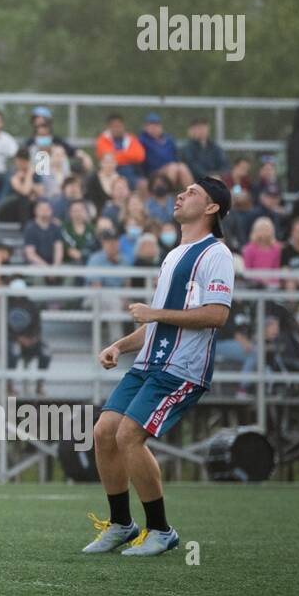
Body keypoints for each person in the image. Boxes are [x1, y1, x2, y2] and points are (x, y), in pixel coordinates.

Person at [86, 176, 234, 557]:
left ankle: (161, 529)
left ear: (212, 208)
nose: (182, 195)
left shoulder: (216, 254)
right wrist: (120, 345)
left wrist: (152, 313)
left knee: (128, 436)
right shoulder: (173, 254)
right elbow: (160, 322)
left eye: (193, 193)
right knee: (104, 432)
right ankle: (121, 524)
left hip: (180, 369)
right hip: (149, 364)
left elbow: (216, 315)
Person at [137, 113, 193, 189]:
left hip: (172, 169)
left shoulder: (168, 139)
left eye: (157, 125)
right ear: (145, 127)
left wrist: (175, 164)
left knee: (182, 167)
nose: (154, 128)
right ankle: (167, 197)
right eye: (151, 125)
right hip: (153, 172)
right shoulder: (142, 140)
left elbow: (176, 156)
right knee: (173, 167)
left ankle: (191, 193)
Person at [94, 114, 147, 184]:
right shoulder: (102, 140)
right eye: (114, 126)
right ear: (109, 127)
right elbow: (106, 157)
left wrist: (117, 155)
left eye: (119, 126)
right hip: (110, 169)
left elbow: (140, 156)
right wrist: (128, 156)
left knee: (140, 180)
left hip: (132, 169)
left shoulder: (131, 138)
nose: (117, 129)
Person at [22, 199, 64, 271]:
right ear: (35, 211)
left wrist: (55, 267)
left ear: (51, 211)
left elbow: (59, 249)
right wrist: (46, 268)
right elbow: (30, 254)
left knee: (68, 273)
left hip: (53, 264)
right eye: (42, 209)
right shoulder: (30, 228)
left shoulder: (55, 227)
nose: (44, 211)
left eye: (47, 209)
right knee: (37, 274)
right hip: (36, 264)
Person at [242, 217, 283, 288]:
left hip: (272, 285)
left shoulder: (276, 249)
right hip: (253, 285)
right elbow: (247, 270)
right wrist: (260, 281)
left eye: (266, 229)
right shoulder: (249, 249)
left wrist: (270, 282)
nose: (264, 232)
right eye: (261, 230)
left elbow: (276, 269)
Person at [61, 199, 96, 265]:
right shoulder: (64, 228)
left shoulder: (92, 229)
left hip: (89, 262)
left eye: (81, 210)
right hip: (68, 263)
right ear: (70, 213)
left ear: (85, 212)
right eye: (75, 211)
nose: (78, 213)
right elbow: (69, 250)